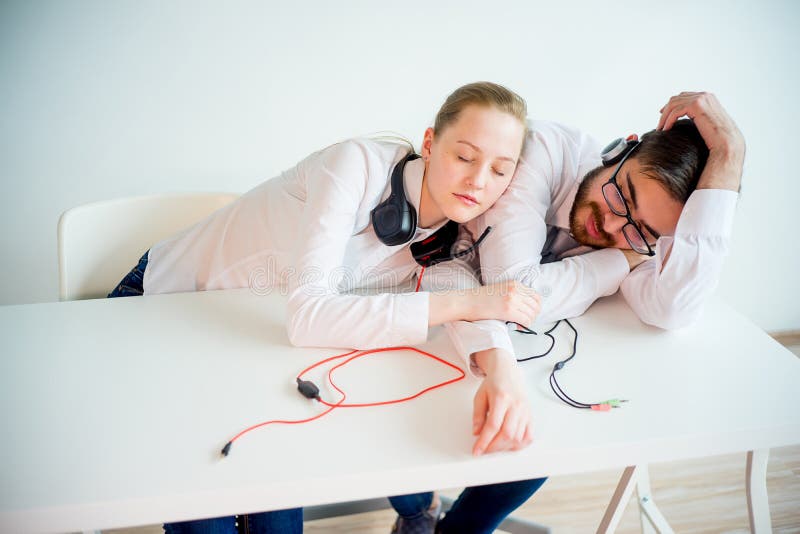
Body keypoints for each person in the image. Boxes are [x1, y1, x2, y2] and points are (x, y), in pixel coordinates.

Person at [108, 82, 547, 533]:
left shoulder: (457, 232)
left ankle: (419, 511)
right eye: (465, 157)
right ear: (431, 144)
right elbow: (309, 318)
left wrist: (503, 372)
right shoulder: (354, 165)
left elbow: (469, 306)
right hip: (160, 311)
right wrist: (467, 302)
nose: (479, 181)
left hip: (256, 346)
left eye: (500, 170)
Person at [437, 92, 744, 368]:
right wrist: (620, 261)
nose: (610, 225)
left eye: (639, 230)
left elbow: (671, 310)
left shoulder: (642, 243)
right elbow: (510, 290)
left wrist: (729, 154)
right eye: (621, 194)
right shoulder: (538, 148)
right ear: (619, 151)